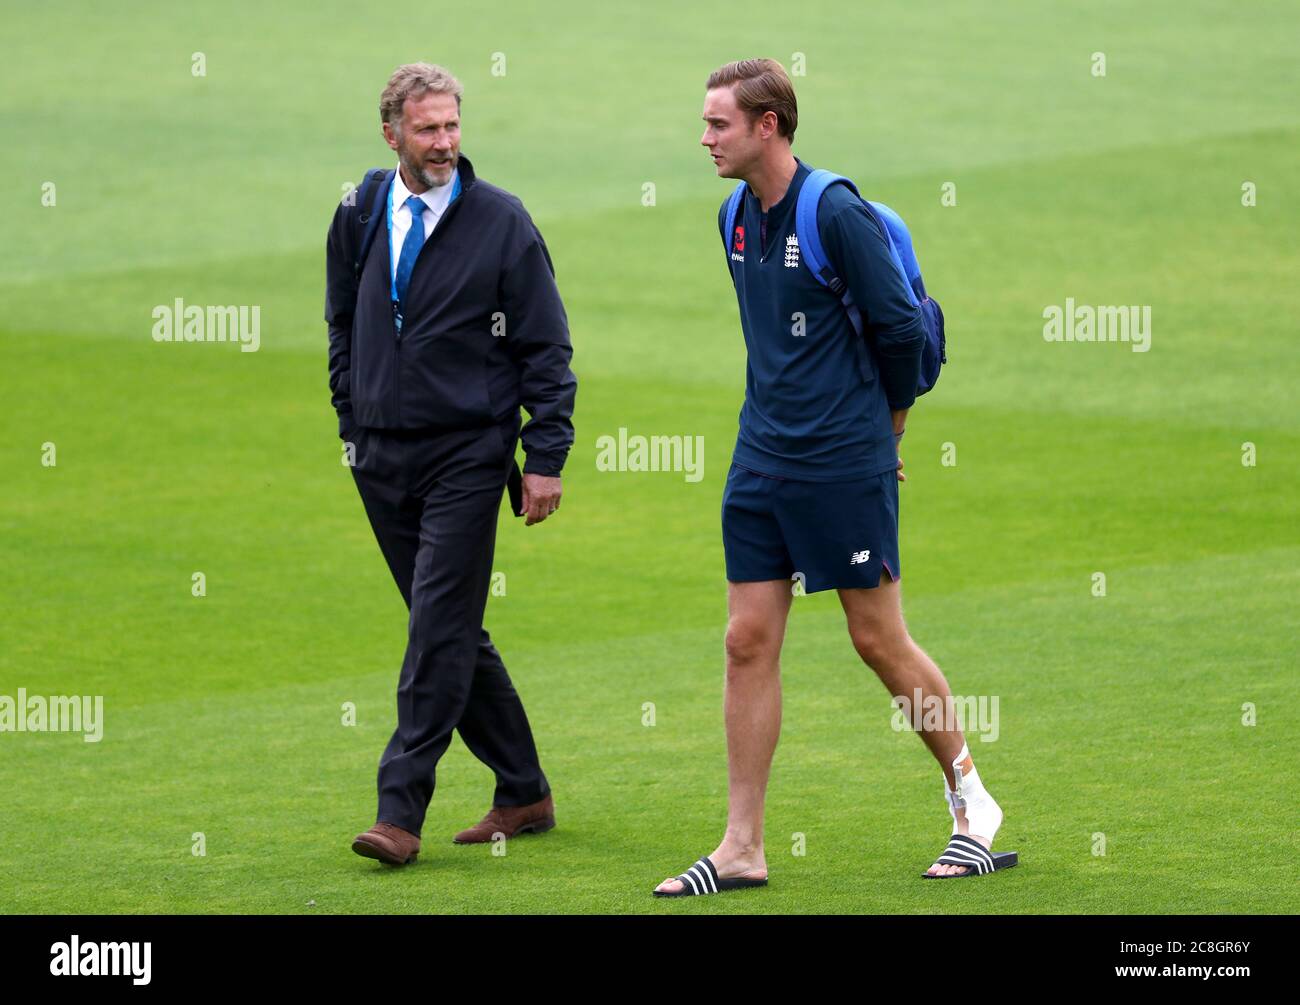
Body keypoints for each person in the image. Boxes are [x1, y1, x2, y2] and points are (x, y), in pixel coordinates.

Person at [654, 59, 1013, 896]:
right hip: (759, 460)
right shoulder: (732, 217)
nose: (704, 138)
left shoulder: (836, 212)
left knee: (876, 638)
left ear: (768, 125)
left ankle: (974, 804)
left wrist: (889, 433)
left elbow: (903, 332)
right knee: (745, 640)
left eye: (718, 124)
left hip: (843, 461)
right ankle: (742, 846)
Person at [324, 63, 576, 867]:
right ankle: (524, 787)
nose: (443, 142)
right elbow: (340, 320)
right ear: (391, 133)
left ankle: (399, 810)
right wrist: (351, 413)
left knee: (437, 627)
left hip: (468, 453)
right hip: (379, 455)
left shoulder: (501, 221)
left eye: (452, 126)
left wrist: (545, 455)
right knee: (452, 628)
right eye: (427, 128)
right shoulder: (358, 210)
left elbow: (547, 346)